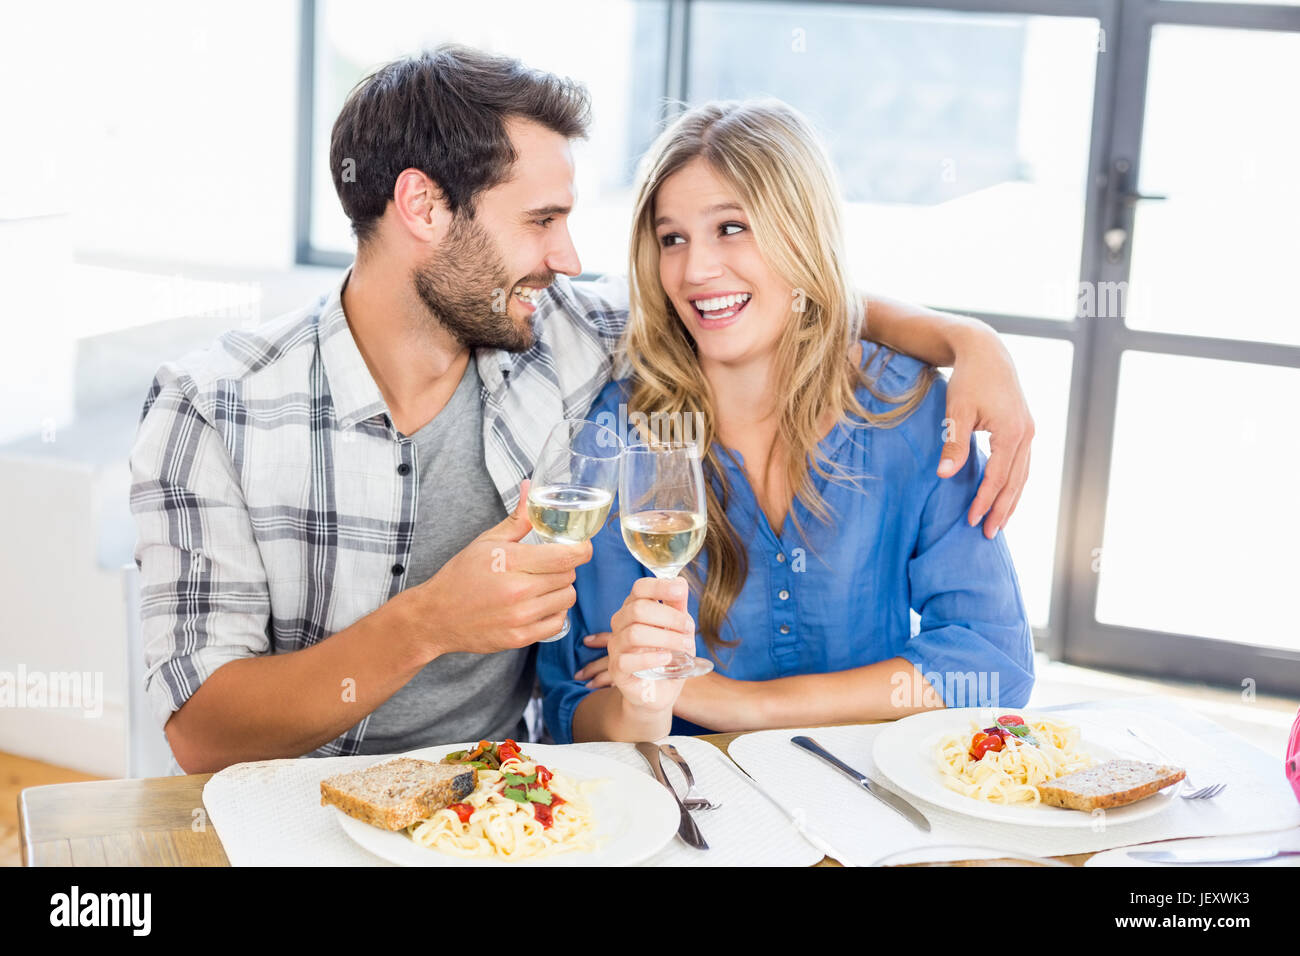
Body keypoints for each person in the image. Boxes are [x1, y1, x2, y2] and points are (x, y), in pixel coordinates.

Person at [130, 47, 1034, 774]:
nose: (568, 256)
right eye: (540, 220)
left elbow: (755, 299)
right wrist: (430, 623)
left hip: (510, 799)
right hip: (287, 808)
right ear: (422, 206)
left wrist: (964, 340)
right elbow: (201, 735)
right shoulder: (214, 409)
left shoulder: (559, 336)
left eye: (569, 222)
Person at [538, 99, 1036, 744]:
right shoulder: (622, 431)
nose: (696, 270)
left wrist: (745, 706)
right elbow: (572, 703)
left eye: (732, 228)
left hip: (866, 803)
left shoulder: (912, 410)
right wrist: (644, 703)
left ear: (799, 234)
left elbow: (990, 666)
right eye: (673, 238)